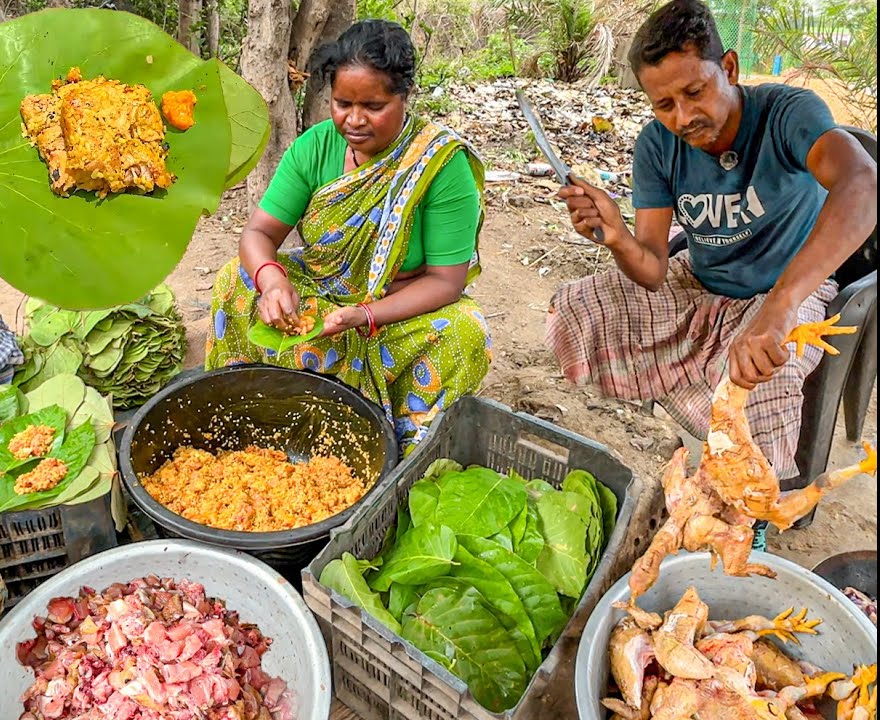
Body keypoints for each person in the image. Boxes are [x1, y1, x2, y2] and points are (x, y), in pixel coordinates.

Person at [546, 0, 877, 548]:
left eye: (694, 93)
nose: (682, 118)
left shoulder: (788, 114)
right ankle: (692, 427)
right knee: (578, 305)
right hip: (698, 284)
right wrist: (617, 237)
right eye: (664, 104)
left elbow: (864, 183)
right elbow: (651, 269)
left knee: (764, 375)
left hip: (788, 288)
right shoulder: (657, 145)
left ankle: (750, 517)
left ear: (728, 68)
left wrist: (779, 308)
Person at [206, 19, 493, 452]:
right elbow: (259, 233)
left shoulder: (440, 165)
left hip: (394, 311)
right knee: (235, 279)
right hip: (321, 290)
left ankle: (403, 447)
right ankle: (249, 417)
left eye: (373, 106)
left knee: (466, 331)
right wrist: (273, 281)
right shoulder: (315, 147)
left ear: (404, 97)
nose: (354, 120)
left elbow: (445, 282)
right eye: (342, 103)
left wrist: (366, 315)